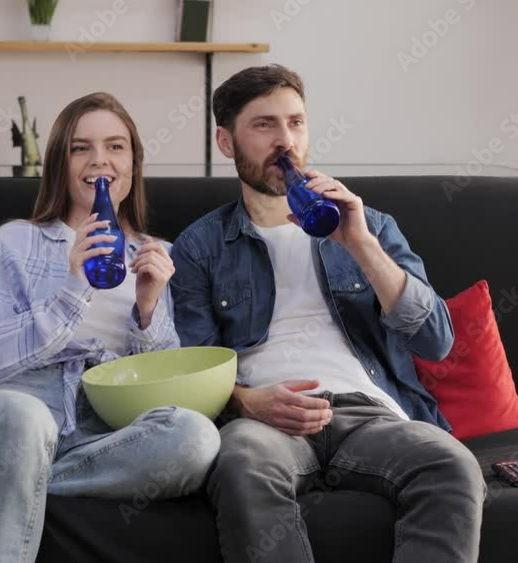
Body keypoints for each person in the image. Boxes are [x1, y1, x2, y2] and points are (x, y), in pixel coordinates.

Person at [0, 92, 220, 563]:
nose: (100, 159)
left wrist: (147, 306)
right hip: (3, 418)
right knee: (26, 416)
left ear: (133, 164)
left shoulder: (157, 253)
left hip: (98, 432)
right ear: (60, 163)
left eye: (115, 146)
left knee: (196, 436)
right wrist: (70, 291)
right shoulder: (18, 241)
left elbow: (161, 389)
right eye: (81, 148)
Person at [170, 65, 485, 562]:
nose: (285, 141)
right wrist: (248, 402)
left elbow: (436, 341)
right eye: (264, 125)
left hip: (368, 414)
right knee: (242, 463)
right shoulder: (199, 246)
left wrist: (360, 244)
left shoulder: (370, 225)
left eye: (296, 123)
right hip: (269, 424)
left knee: (452, 464)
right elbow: (193, 366)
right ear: (226, 142)